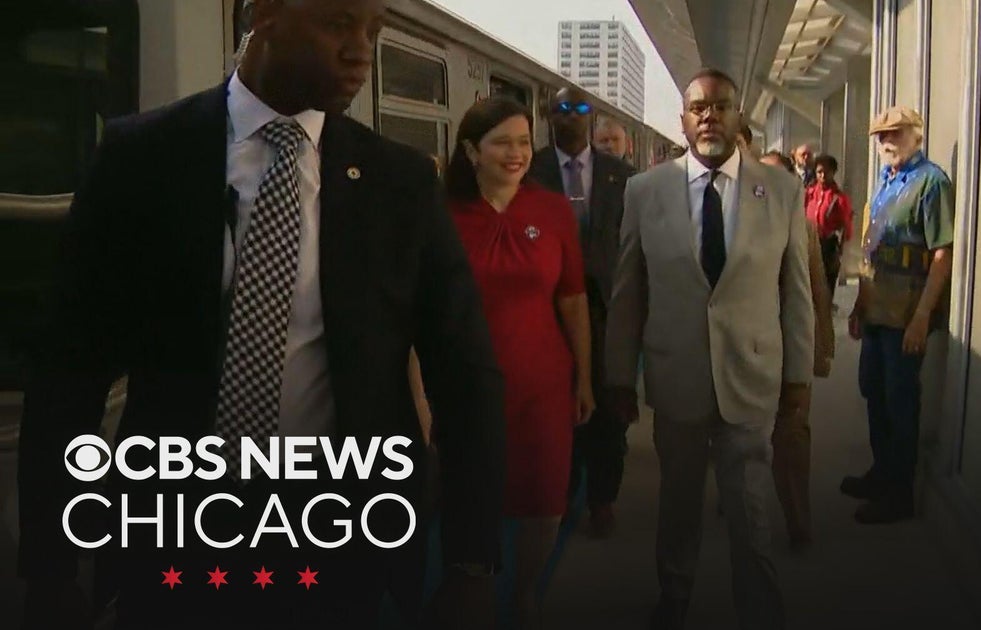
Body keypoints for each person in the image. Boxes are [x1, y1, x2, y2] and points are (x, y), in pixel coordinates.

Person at [17, 1, 504, 628]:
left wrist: (470, 565)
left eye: (373, 31)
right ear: (264, 13)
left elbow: (465, 375)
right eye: (337, 24)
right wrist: (50, 568)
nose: (361, 49)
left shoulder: (400, 183)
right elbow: (68, 369)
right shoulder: (142, 156)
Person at [606, 67, 814, 630]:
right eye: (698, 108)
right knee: (677, 505)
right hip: (678, 380)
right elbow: (628, 293)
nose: (709, 117)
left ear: (738, 115)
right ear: (683, 120)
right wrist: (620, 377)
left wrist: (799, 378)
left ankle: (760, 609)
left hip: (751, 377)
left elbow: (796, 295)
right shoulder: (645, 191)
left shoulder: (783, 192)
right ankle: (674, 600)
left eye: (720, 106)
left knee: (750, 509)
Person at [447, 96, 594, 628]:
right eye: (502, 142)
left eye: (523, 142)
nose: (516, 153)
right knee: (471, 498)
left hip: (543, 382)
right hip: (463, 384)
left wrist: (585, 378)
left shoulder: (553, 211)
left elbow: (573, 299)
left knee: (544, 500)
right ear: (470, 150)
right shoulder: (442, 213)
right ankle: (474, 590)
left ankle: (527, 589)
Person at [530, 87, 637, 538]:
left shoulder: (621, 175)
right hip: (549, 312)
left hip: (606, 312)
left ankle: (602, 500)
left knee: (609, 412)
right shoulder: (531, 170)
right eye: (561, 108)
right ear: (547, 114)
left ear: (591, 116)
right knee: (557, 407)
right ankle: (563, 493)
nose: (569, 115)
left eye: (578, 108)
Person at [844, 105, 954, 524]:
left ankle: (899, 493)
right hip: (877, 309)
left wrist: (923, 316)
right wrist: (859, 303)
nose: (887, 141)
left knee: (900, 401)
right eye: (881, 136)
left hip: (906, 312)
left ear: (917, 136)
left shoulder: (931, 183)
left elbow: (941, 255)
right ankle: (882, 472)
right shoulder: (886, 181)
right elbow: (871, 249)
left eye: (896, 133)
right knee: (873, 391)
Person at [759, 153, 835, 551]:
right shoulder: (735, 225)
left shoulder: (804, 229)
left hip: (791, 351)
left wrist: (821, 350)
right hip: (749, 354)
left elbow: (817, 291)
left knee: (792, 436)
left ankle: (798, 523)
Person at [805, 153, 853, 302]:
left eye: (827, 172)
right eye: (819, 172)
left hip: (828, 246)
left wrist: (840, 249)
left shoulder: (839, 198)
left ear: (833, 172)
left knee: (825, 286)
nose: (823, 176)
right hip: (808, 243)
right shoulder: (809, 193)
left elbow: (847, 226)